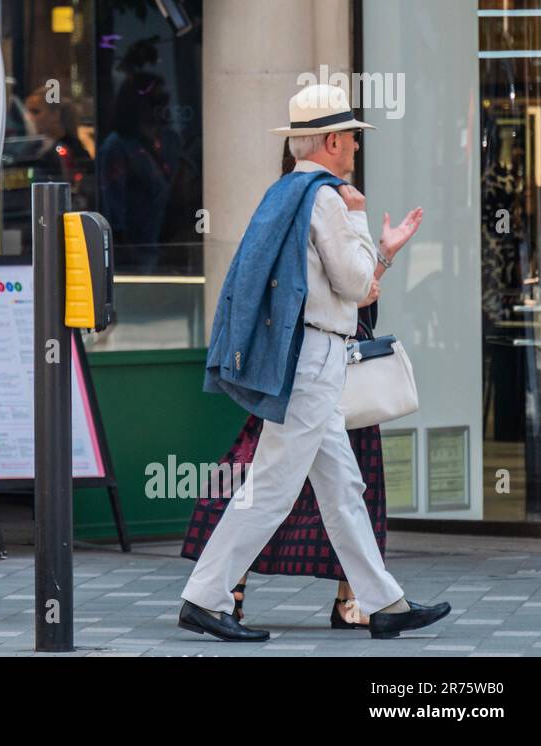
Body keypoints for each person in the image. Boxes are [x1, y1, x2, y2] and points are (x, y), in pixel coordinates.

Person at [177, 82, 450, 642]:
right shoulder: (328, 198)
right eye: (351, 137)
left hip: (306, 355)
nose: (355, 146)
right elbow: (354, 283)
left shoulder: (286, 192)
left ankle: (384, 602)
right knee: (274, 485)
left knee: (342, 488)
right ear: (330, 140)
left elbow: (344, 282)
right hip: (315, 357)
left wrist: (383, 251)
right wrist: (362, 223)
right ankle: (205, 596)